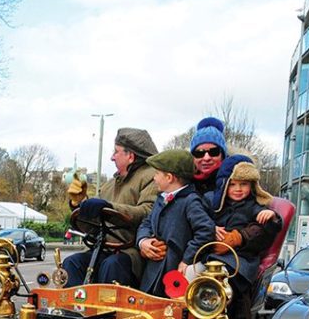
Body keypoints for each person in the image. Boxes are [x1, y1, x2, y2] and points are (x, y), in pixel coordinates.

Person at [62, 127, 159, 286]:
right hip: (103, 249)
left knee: (112, 265)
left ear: (130, 156)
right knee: (72, 263)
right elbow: (92, 226)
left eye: (116, 152)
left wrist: (109, 207)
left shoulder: (152, 177)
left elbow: (147, 212)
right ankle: (76, 302)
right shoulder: (109, 185)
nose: (112, 158)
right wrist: (79, 205)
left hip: (134, 252)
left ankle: (107, 304)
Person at [135, 149, 216, 297]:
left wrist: (187, 260)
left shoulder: (191, 201)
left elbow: (206, 230)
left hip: (177, 275)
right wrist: (143, 241)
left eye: (157, 173)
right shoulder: (161, 198)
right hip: (152, 273)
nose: (154, 178)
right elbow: (146, 223)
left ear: (169, 177)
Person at [199, 154, 281, 297]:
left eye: (243, 184)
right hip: (210, 255)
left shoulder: (253, 206)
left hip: (240, 260)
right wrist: (212, 228)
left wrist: (271, 216)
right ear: (224, 184)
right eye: (232, 184)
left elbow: (263, 228)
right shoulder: (211, 201)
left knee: (221, 279)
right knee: (192, 273)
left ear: (252, 185)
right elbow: (199, 219)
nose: (238, 189)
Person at [189, 117, 227, 195]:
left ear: (223, 155)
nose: (206, 158)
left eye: (214, 152)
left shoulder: (236, 184)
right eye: (199, 153)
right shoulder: (180, 184)